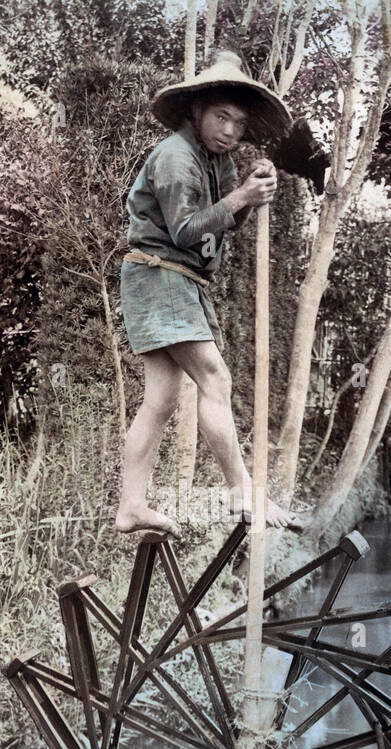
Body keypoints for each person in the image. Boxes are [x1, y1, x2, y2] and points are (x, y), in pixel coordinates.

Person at [115, 51, 299, 536]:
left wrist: (251, 190)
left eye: (239, 123)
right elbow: (184, 231)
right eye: (222, 117)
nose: (231, 131)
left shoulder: (218, 162)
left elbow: (224, 221)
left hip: (180, 280)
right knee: (215, 379)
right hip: (160, 274)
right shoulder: (176, 157)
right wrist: (241, 198)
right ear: (195, 110)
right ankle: (243, 493)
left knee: (161, 398)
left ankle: (131, 507)